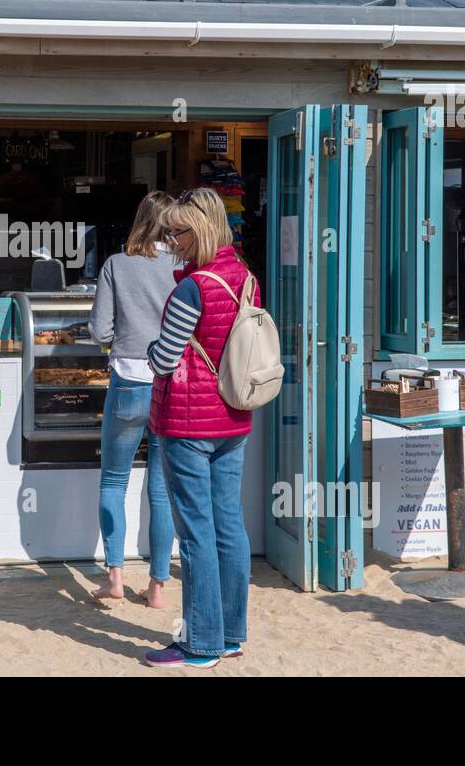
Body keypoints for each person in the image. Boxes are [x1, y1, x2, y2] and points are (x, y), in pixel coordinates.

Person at [143, 188, 259, 669]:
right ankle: (231, 633)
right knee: (228, 524)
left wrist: (151, 351)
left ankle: (202, 642)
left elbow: (165, 359)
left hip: (188, 422)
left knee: (195, 534)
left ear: (202, 229)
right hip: (233, 416)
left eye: (178, 231)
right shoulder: (245, 278)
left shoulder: (191, 288)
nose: (172, 240)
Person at [87, 191, 179, 608]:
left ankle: (115, 578)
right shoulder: (183, 266)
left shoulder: (116, 264)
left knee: (113, 480)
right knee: (160, 490)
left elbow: (100, 332)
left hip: (126, 381)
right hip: (170, 384)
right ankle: (158, 586)